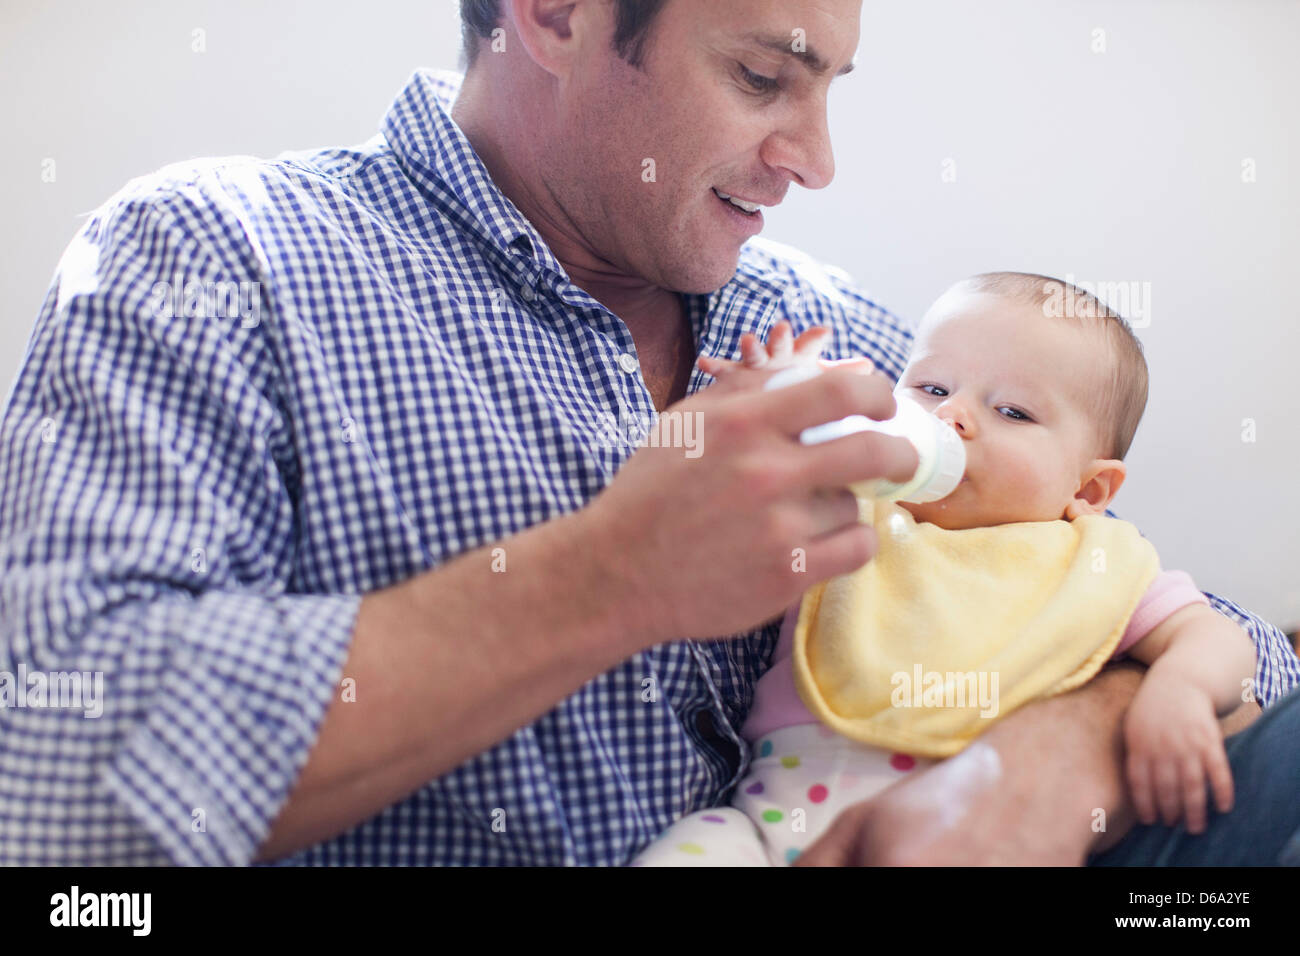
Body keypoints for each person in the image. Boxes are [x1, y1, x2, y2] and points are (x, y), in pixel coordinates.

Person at [0, 0, 1295, 867]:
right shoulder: (212, 254)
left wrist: (1046, 760)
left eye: (831, 87)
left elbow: (1127, 586)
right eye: (763, 77)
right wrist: (611, 576)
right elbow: (46, 776)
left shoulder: (837, 331)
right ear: (556, 13)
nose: (817, 159)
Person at [633, 274, 1258, 865]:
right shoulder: (851, 504)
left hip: (981, 835)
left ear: (1090, 490)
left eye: (1013, 412)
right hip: (772, 826)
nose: (951, 416)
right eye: (932, 388)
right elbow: (746, 529)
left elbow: (1209, 636)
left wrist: (1182, 687)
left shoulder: (1088, 561)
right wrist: (778, 404)